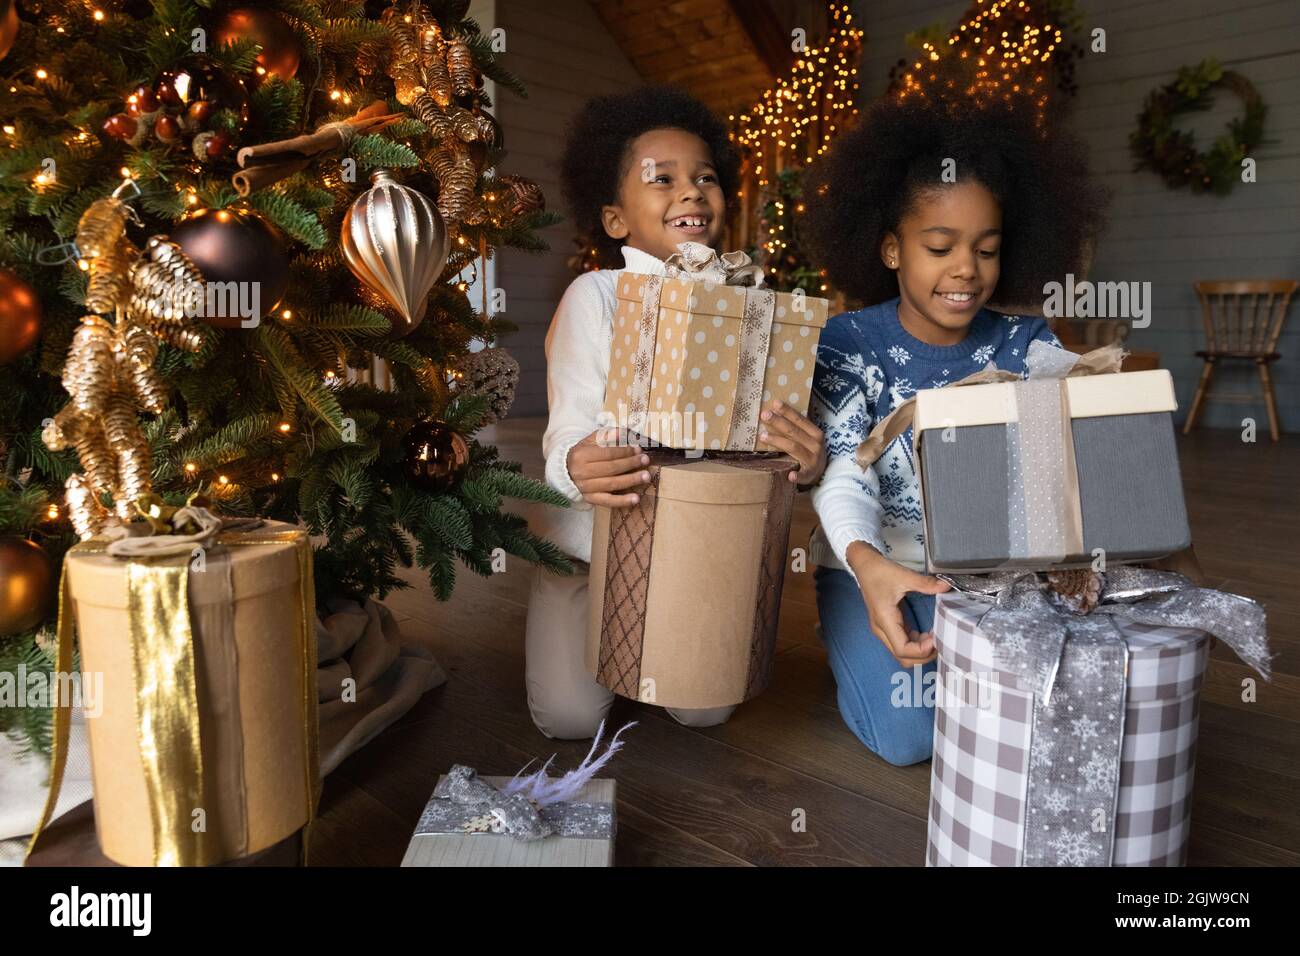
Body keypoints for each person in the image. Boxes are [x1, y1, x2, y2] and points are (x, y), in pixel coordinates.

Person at [802, 93, 1109, 765]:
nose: (966, 268)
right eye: (939, 246)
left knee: (1062, 701)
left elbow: (1061, 463)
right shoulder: (847, 342)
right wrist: (866, 563)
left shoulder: (1027, 343)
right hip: (874, 569)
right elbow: (843, 476)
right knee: (911, 737)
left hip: (993, 579)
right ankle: (856, 638)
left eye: (987, 249)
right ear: (889, 248)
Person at [527, 86, 828, 739]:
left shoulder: (748, 303)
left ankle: (655, 635)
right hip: (592, 544)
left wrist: (802, 457)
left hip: (700, 542)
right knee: (569, 718)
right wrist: (577, 463)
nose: (691, 192)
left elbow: (768, 435)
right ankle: (573, 604)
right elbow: (569, 425)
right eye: (661, 180)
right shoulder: (597, 295)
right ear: (614, 220)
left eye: (705, 179)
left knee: (704, 708)